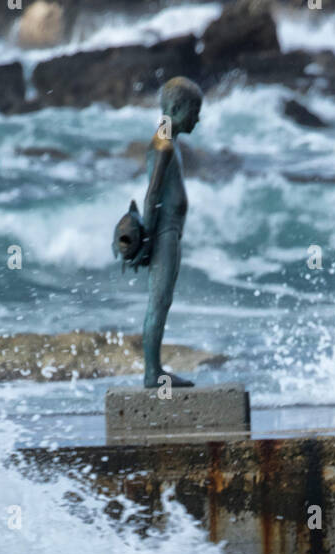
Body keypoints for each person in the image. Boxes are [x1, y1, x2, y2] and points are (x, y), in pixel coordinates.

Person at [130, 76, 204, 389]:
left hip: (169, 232)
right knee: (158, 302)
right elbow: (151, 195)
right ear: (174, 108)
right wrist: (146, 240)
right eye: (194, 111)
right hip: (164, 233)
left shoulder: (167, 141)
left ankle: (154, 368)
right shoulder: (162, 145)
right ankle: (152, 372)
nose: (197, 118)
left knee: (162, 301)